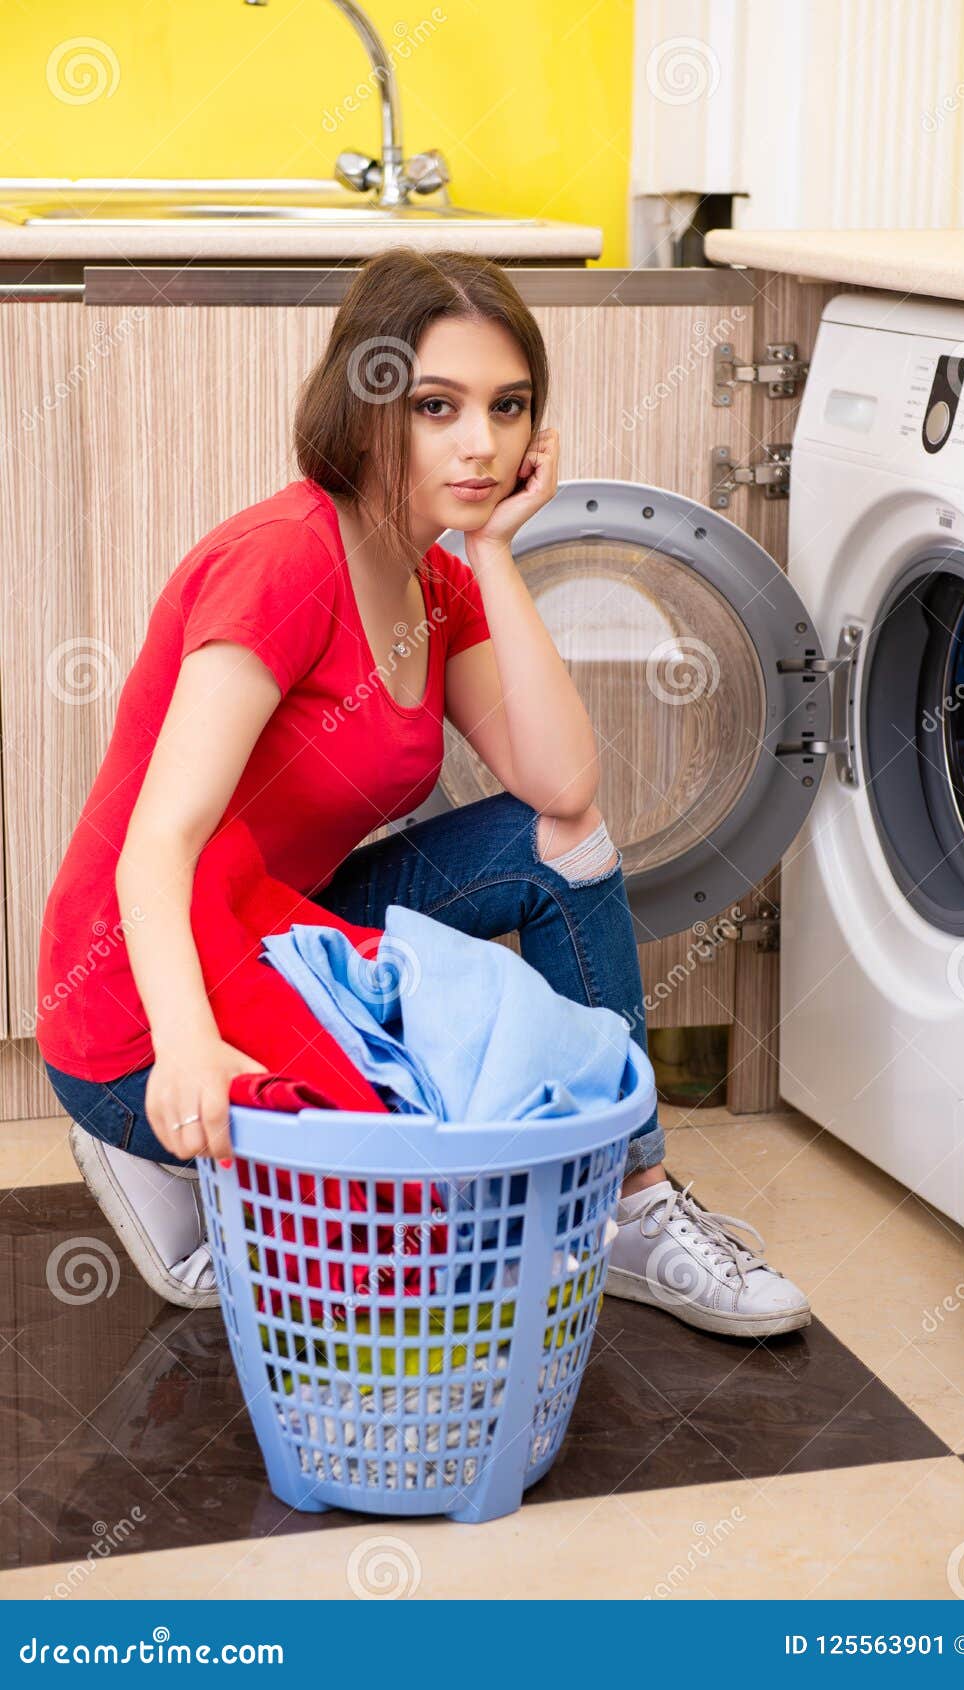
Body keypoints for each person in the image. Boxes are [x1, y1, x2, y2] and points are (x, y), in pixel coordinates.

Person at [36, 247, 809, 1337]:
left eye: (508, 406)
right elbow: (157, 842)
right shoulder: (284, 564)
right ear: (368, 407)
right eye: (437, 406)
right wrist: (190, 1046)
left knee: (558, 843)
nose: (481, 442)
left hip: (281, 929)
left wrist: (497, 549)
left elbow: (564, 787)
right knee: (437, 1224)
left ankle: (629, 1201)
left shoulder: (436, 577)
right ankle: (152, 1145)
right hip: (141, 999)